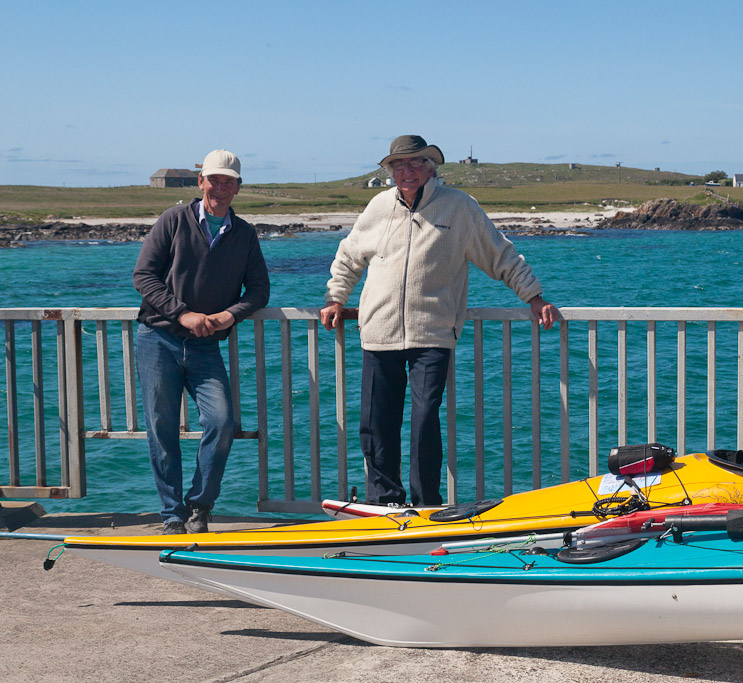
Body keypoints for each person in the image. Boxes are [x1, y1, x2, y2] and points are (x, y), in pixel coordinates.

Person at [320, 135, 559, 506]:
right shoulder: (379, 206)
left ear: (431, 168)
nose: (406, 171)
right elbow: (350, 255)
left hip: (433, 333)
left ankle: (425, 501)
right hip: (378, 332)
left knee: (424, 423)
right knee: (376, 424)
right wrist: (337, 298)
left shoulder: (459, 208)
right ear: (391, 171)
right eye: (399, 165)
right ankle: (384, 500)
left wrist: (533, 295)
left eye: (415, 163)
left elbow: (500, 255)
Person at [133, 149, 270, 534]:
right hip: (158, 338)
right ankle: (172, 515)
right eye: (214, 180)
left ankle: (200, 505)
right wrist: (182, 313)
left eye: (229, 181)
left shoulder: (244, 233)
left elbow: (259, 290)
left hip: (207, 345)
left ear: (238, 187)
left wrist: (231, 314)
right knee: (161, 429)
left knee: (222, 422)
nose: (220, 188)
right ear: (201, 182)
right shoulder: (173, 220)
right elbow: (144, 276)